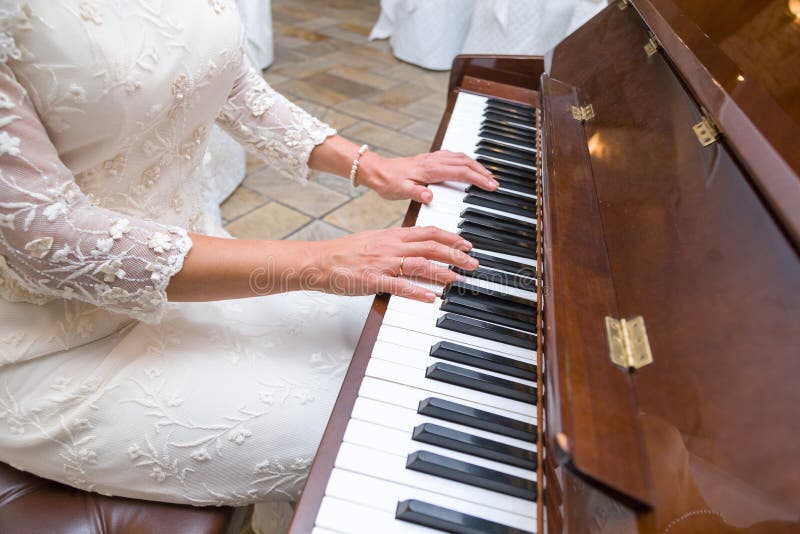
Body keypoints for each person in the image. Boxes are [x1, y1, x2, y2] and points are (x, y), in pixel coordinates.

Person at [0, 0, 498, 531]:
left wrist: (370, 165)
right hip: (56, 345)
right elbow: (43, 239)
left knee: (400, 342)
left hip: (197, 272)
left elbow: (228, 80)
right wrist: (319, 260)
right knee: (385, 432)